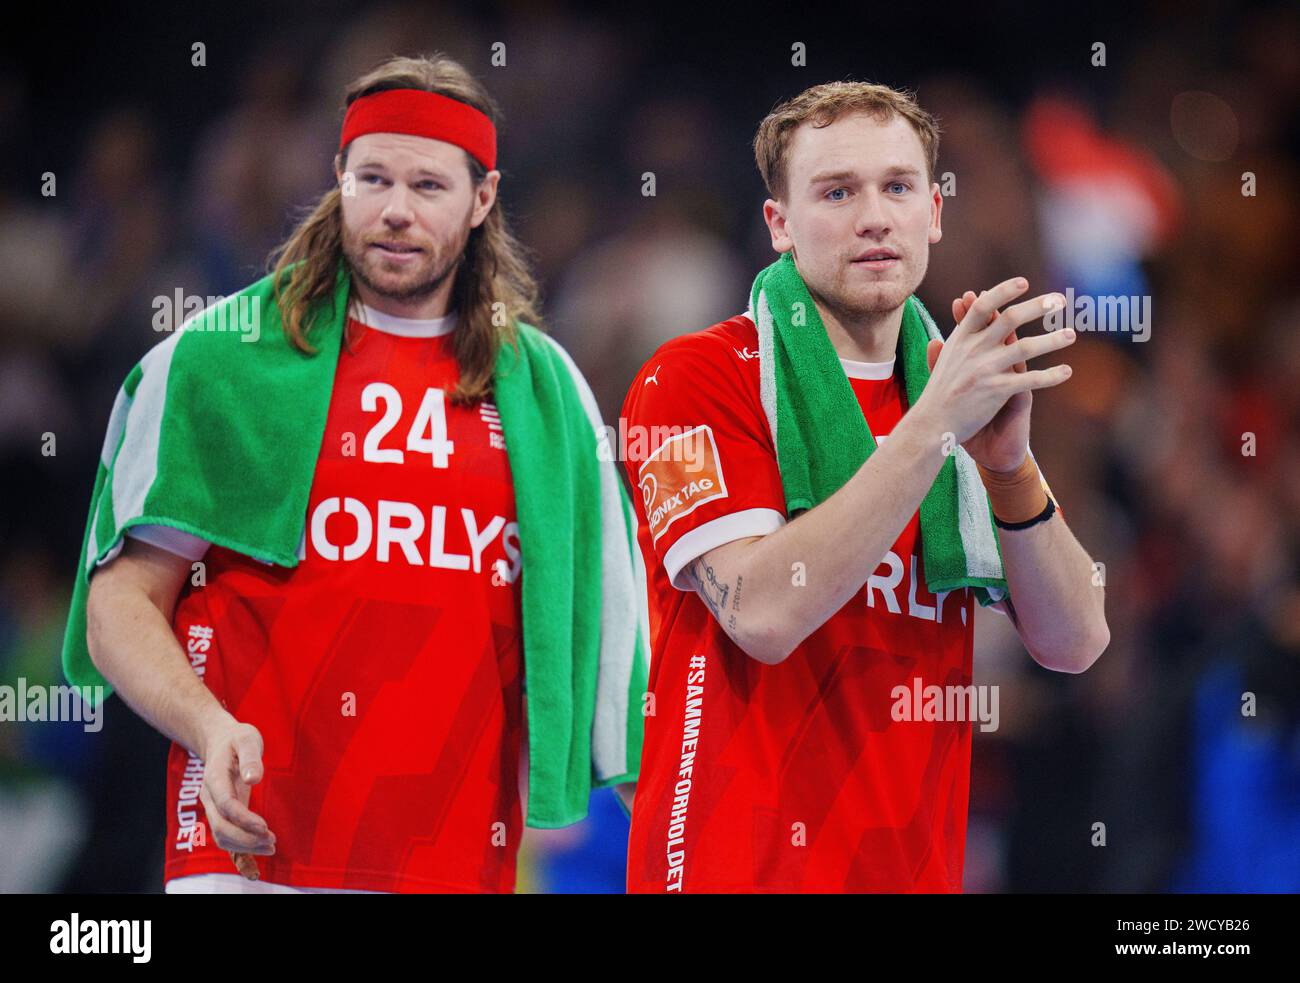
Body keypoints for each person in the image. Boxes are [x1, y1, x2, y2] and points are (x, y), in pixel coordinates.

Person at [62, 53, 647, 894]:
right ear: (338, 176)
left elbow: (613, 647)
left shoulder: (546, 392)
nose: (396, 211)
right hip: (244, 854)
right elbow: (118, 603)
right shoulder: (221, 360)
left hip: (456, 864)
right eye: (372, 178)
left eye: (429, 186)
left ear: (483, 199)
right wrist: (206, 724)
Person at [620, 81, 1109, 893]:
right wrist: (932, 429)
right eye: (837, 191)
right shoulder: (693, 379)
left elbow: (1076, 641)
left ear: (935, 213)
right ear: (779, 224)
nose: (875, 216)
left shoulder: (950, 386)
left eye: (898, 186)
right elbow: (765, 613)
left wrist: (1010, 468)